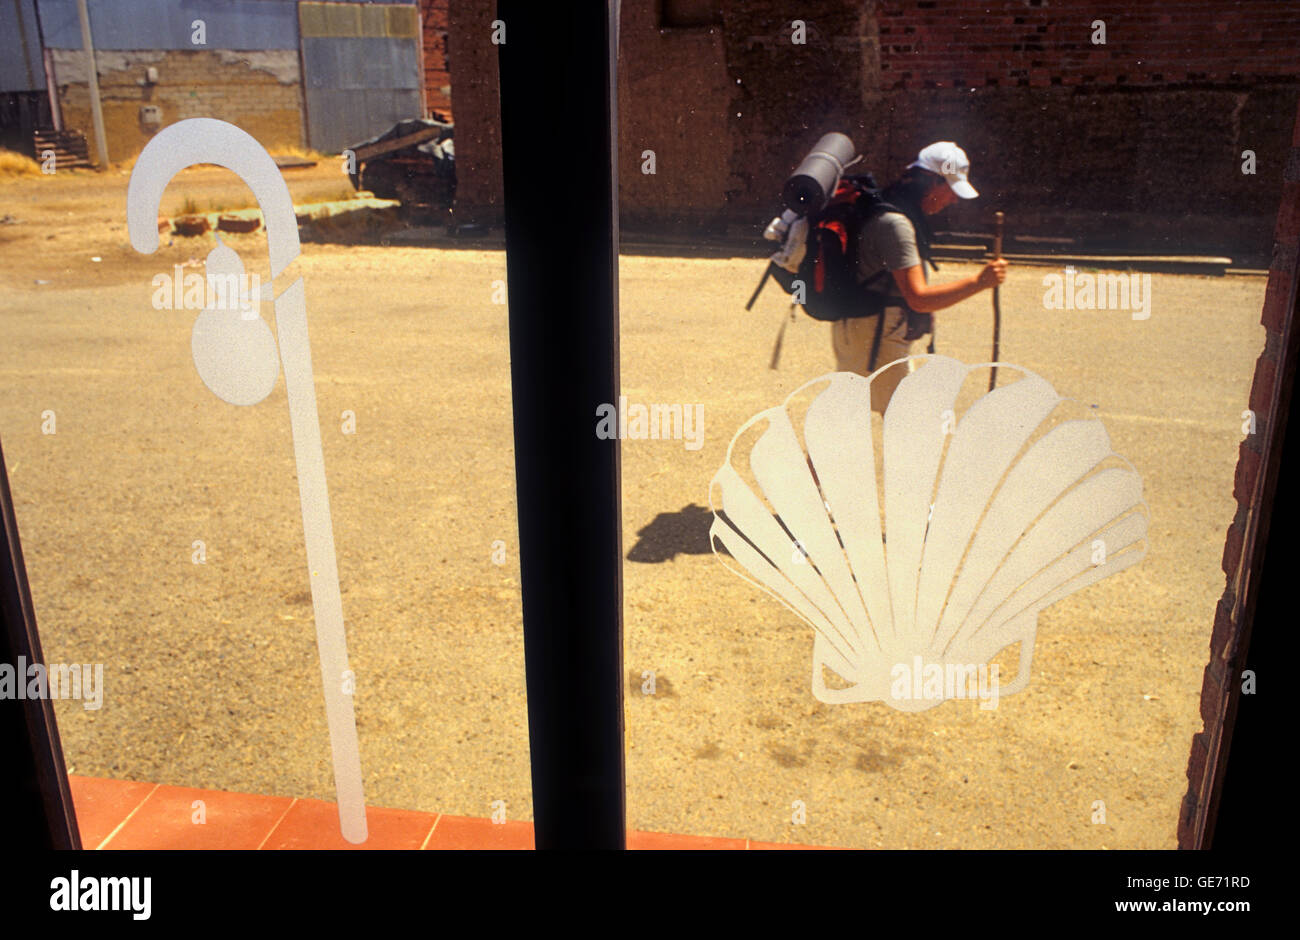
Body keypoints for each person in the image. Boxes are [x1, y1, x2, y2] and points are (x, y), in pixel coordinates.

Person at [832, 141, 1008, 412]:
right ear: (929, 181)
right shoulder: (896, 224)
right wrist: (978, 282)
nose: (954, 199)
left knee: (846, 419)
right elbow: (919, 298)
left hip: (868, 330)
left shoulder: (895, 212)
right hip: (875, 335)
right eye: (949, 189)